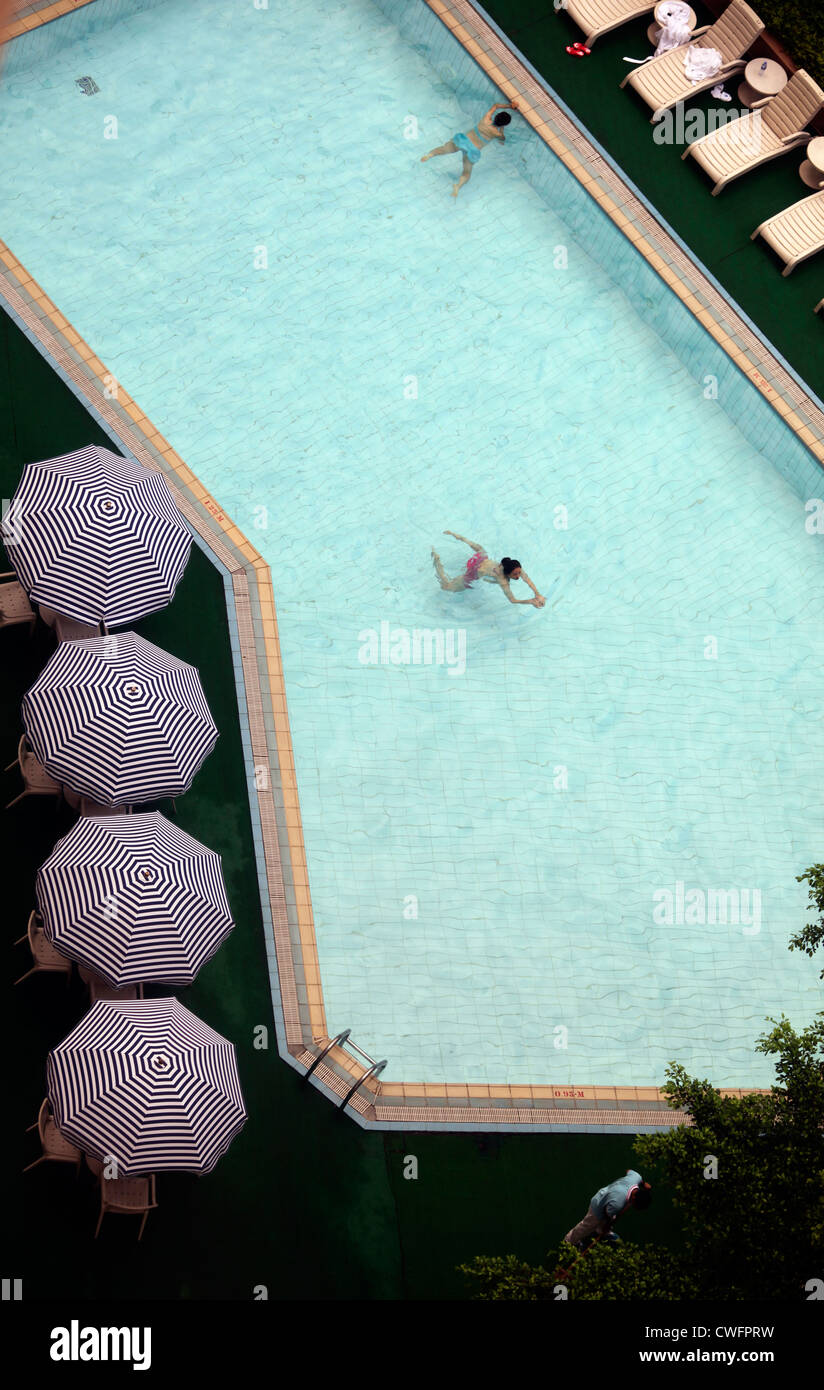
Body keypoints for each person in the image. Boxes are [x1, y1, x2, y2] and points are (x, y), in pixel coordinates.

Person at [420, 101, 518, 197]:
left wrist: (509, 106)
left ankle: (429, 155)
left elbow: (496, 106)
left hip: (463, 141)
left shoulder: (486, 119)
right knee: (467, 173)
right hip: (472, 151)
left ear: (495, 117)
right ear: (503, 124)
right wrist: (502, 128)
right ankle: (458, 186)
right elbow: (503, 139)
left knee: (444, 149)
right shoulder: (497, 133)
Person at [432, 531, 545, 607]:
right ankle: (436, 561)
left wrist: (537, 593)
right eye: (515, 575)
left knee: (474, 546)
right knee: (446, 587)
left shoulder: (514, 566)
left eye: (519, 573)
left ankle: (453, 534)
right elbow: (513, 600)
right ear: (507, 573)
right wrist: (530, 601)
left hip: (481, 558)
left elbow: (527, 579)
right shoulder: (503, 580)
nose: (518, 576)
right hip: (475, 572)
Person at [564, 1169, 653, 1247]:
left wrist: (643, 1183)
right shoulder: (618, 1203)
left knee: (607, 1219)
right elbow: (607, 1215)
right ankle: (569, 1241)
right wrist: (607, 1226)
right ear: (633, 1199)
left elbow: (629, 1171)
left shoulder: (636, 1178)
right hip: (598, 1205)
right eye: (635, 1205)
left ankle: (600, 1231)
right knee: (587, 1226)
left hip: (609, 1196)